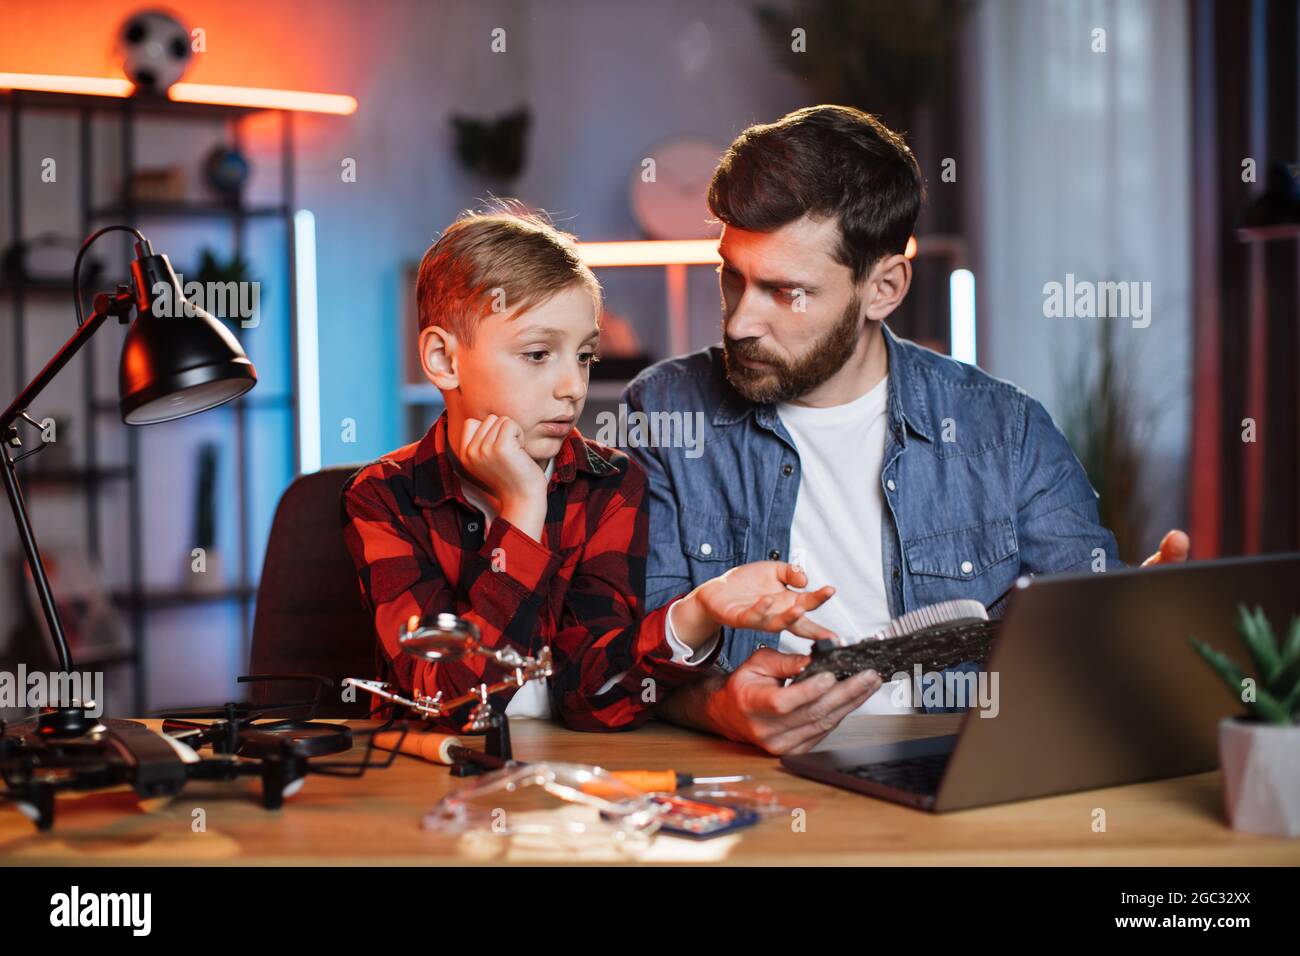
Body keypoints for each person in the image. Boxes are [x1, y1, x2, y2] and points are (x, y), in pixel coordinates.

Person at [623, 105, 1190, 754]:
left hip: (957, 774)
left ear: (884, 287)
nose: (740, 322)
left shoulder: (1005, 430)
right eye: (732, 276)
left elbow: (1083, 649)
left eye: (786, 292)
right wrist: (720, 710)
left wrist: (1133, 624)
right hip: (757, 789)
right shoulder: (665, 414)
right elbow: (624, 654)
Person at [341, 207, 839, 731]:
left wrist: (697, 613)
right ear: (444, 359)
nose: (572, 388)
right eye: (537, 354)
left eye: (584, 356)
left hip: (570, 777)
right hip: (424, 787)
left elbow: (589, 701)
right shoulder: (381, 497)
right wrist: (524, 513)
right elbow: (448, 700)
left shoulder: (610, 485)